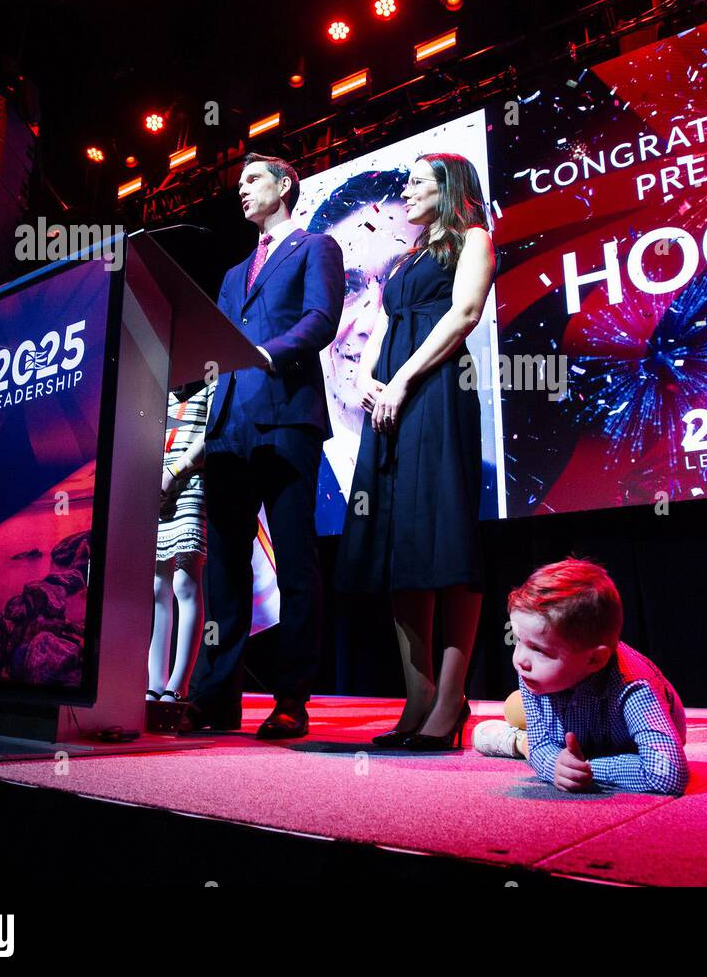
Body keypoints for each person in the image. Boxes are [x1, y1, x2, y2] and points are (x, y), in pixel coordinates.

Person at [335, 153, 495, 750]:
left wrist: (401, 380)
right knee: (401, 547)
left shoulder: (473, 239)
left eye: (418, 182)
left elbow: (464, 314)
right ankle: (419, 697)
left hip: (435, 391)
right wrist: (365, 379)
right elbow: (381, 323)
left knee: (446, 539)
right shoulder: (408, 256)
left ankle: (453, 700)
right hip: (394, 397)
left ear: (450, 187)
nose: (407, 192)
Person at [183, 152, 344, 739]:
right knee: (223, 570)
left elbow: (323, 319)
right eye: (240, 183)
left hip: (286, 420)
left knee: (297, 561)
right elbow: (217, 348)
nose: (242, 191)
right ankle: (214, 700)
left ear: (284, 186)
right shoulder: (230, 275)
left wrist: (269, 353)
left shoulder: (316, 247)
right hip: (229, 427)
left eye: (252, 180)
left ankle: (291, 700)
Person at [473, 557, 689, 795]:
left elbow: (667, 773)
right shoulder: (531, 671)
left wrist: (587, 769)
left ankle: (516, 742)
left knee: (507, 720)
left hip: (600, 736)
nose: (520, 660)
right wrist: (554, 764)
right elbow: (543, 746)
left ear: (595, 660)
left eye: (539, 649)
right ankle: (520, 740)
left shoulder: (634, 687)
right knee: (512, 709)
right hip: (574, 728)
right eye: (518, 640)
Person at [306, 168, 412, 535]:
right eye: (348, 286)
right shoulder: (284, 490)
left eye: (400, 282)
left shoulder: (479, 483)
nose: (370, 321)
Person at [148, 380, 212, 702]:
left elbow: (211, 432)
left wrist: (174, 472)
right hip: (157, 488)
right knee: (158, 587)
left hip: (191, 483)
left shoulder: (212, 383)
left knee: (185, 585)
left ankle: (178, 683)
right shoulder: (164, 385)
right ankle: (153, 682)